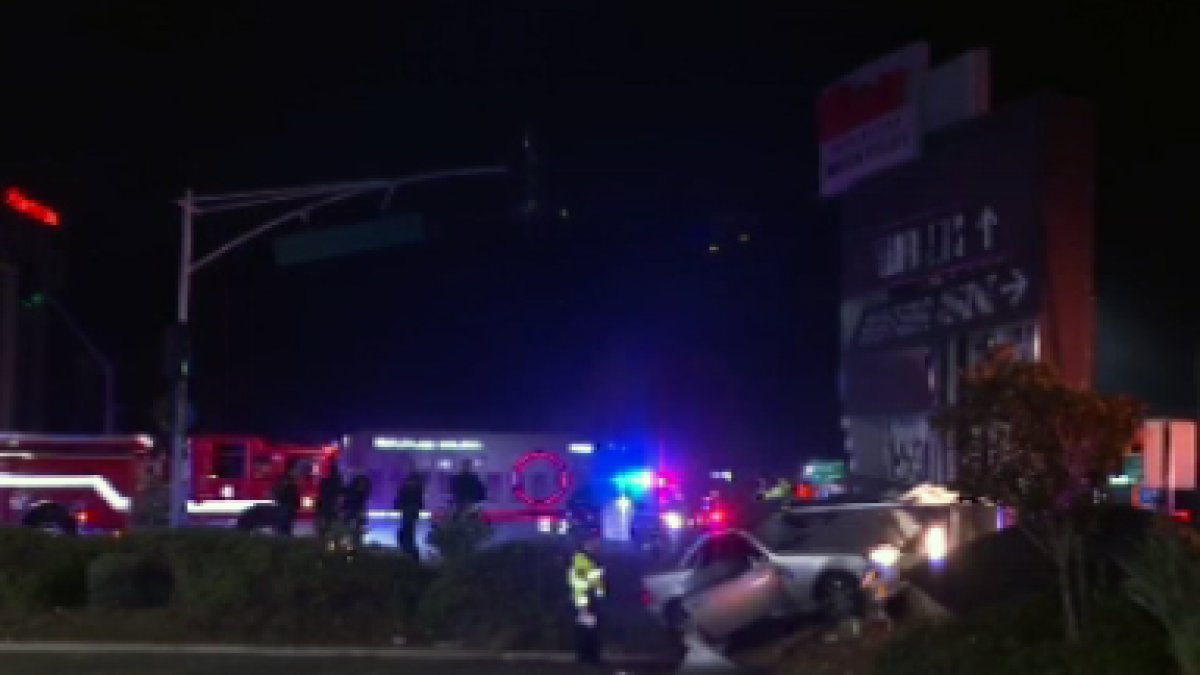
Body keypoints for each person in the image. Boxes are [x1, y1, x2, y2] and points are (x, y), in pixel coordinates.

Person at [568, 531, 608, 669]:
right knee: (587, 630)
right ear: (587, 543)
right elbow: (579, 583)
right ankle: (587, 658)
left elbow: (597, 579)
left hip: (592, 599)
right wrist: (583, 605)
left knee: (592, 629)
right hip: (585, 600)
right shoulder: (581, 559)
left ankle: (591, 657)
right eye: (595, 541)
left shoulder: (591, 558)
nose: (598, 544)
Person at [395, 472, 425, 561]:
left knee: (408, 530)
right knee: (408, 530)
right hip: (410, 511)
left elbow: (400, 499)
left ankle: (408, 549)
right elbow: (419, 502)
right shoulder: (415, 489)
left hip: (409, 511)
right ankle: (408, 549)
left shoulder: (410, 489)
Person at [342, 472, 372, 549]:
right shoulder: (352, 492)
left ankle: (355, 546)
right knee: (349, 533)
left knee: (355, 534)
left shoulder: (361, 494)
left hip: (355, 515)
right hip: (351, 515)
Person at [315, 463, 343, 545]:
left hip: (325, 505)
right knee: (331, 524)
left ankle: (322, 540)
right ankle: (330, 540)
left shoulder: (325, 480)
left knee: (325, 524)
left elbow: (320, 492)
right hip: (332, 506)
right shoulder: (338, 481)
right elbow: (340, 493)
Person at [272, 468, 300, 536]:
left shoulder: (289, 486)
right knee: (285, 523)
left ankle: (284, 534)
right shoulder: (291, 486)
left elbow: (279, 496)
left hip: (286, 507)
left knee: (285, 523)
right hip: (286, 507)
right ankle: (285, 534)